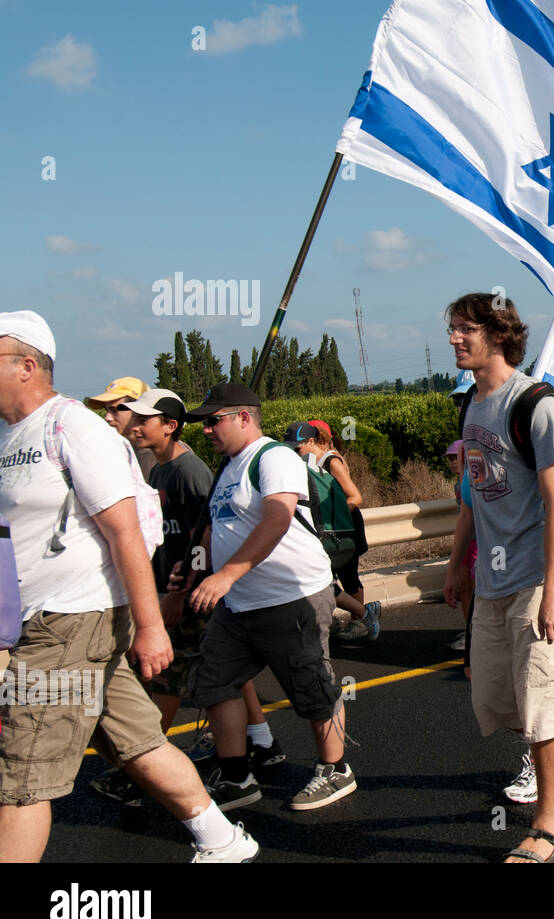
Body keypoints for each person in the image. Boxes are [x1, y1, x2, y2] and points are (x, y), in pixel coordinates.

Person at [0, 311, 257, 862]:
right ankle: (223, 841)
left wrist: (150, 626)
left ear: (26, 366)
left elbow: (125, 534)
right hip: (45, 622)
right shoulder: (9, 434)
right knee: (137, 743)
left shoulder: (70, 428)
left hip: (66, 623)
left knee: (21, 774)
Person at [442, 292, 554, 863]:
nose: (454, 338)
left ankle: (548, 828)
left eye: (465, 329)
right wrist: (455, 564)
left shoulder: (535, 404)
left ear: (497, 334)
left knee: (541, 706)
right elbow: (472, 497)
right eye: (453, 329)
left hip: (542, 577)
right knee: (499, 705)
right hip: (490, 580)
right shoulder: (471, 406)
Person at [90, 389, 284, 810]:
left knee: (166, 680)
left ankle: (138, 772)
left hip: (193, 596)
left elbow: (207, 533)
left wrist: (183, 589)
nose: (134, 425)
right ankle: (262, 743)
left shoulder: (188, 471)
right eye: (133, 417)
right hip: (176, 588)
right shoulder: (157, 471)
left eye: (145, 419)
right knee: (217, 673)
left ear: (170, 426)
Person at [180, 382, 357, 812]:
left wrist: (224, 576)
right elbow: (214, 529)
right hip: (239, 603)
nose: (206, 429)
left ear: (244, 418)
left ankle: (335, 771)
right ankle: (238, 777)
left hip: (289, 596)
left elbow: (277, 519)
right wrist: (198, 571)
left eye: (213, 420)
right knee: (216, 681)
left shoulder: (273, 457)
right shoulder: (226, 468)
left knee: (312, 687)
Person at [284, 421, 381, 642]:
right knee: (328, 576)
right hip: (327, 526)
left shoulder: (331, 461)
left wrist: (330, 516)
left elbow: (355, 497)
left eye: (297, 447)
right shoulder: (308, 462)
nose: (294, 452)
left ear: (312, 441)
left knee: (348, 576)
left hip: (343, 525)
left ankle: (361, 620)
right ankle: (354, 617)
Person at [86, 375, 158, 479]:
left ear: (137, 409)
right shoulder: (128, 449)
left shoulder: (150, 454)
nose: (108, 417)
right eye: (107, 410)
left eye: (114, 410)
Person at [445, 440, 476, 649]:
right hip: (466, 540)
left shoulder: (476, 479)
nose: (453, 462)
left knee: (477, 587)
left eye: (456, 457)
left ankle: (479, 631)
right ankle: (470, 630)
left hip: (479, 541)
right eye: (450, 458)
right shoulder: (459, 484)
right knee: (464, 586)